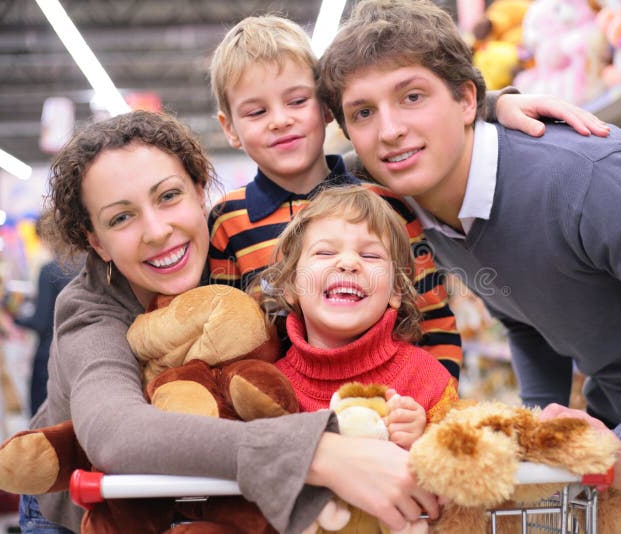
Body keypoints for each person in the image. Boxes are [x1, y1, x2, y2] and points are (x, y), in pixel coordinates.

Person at [317, 1, 621, 533]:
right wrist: (537, 425)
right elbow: (525, 316)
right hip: (611, 424)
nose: (389, 130)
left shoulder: (587, 177)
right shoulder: (407, 197)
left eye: (412, 96)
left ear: (464, 99)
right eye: (363, 112)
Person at [25, 110, 441, 534]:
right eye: (120, 217)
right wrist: (316, 453)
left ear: (199, 191)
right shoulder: (90, 310)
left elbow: (359, 157)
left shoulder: (232, 248)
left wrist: (491, 105)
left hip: (201, 501)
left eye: (169, 196)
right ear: (97, 241)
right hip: (85, 514)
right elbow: (115, 433)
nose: (157, 230)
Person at [206, 14, 611, 381]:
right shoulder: (228, 221)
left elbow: (431, 316)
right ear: (230, 128)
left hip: (394, 410)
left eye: (297, 101)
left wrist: (436, 405)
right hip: (289, 421)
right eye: (256, 112)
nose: (281, 120)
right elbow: (227, 336)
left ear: (329, 110)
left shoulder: (385, 200)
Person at [260, 185, 458, 449]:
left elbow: (460, 463)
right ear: (292, 285)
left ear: (396, 290)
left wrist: (425, 436)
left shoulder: (426, 378)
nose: (348, 263)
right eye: (326, 252)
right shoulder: (269, 388)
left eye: (370, 255)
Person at [13, 215, 79, 415]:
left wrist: (14, 316)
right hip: (82, 354)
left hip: (51, 357)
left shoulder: (49, 270)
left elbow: (41, 322)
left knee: (45, 424)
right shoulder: (89, 265)